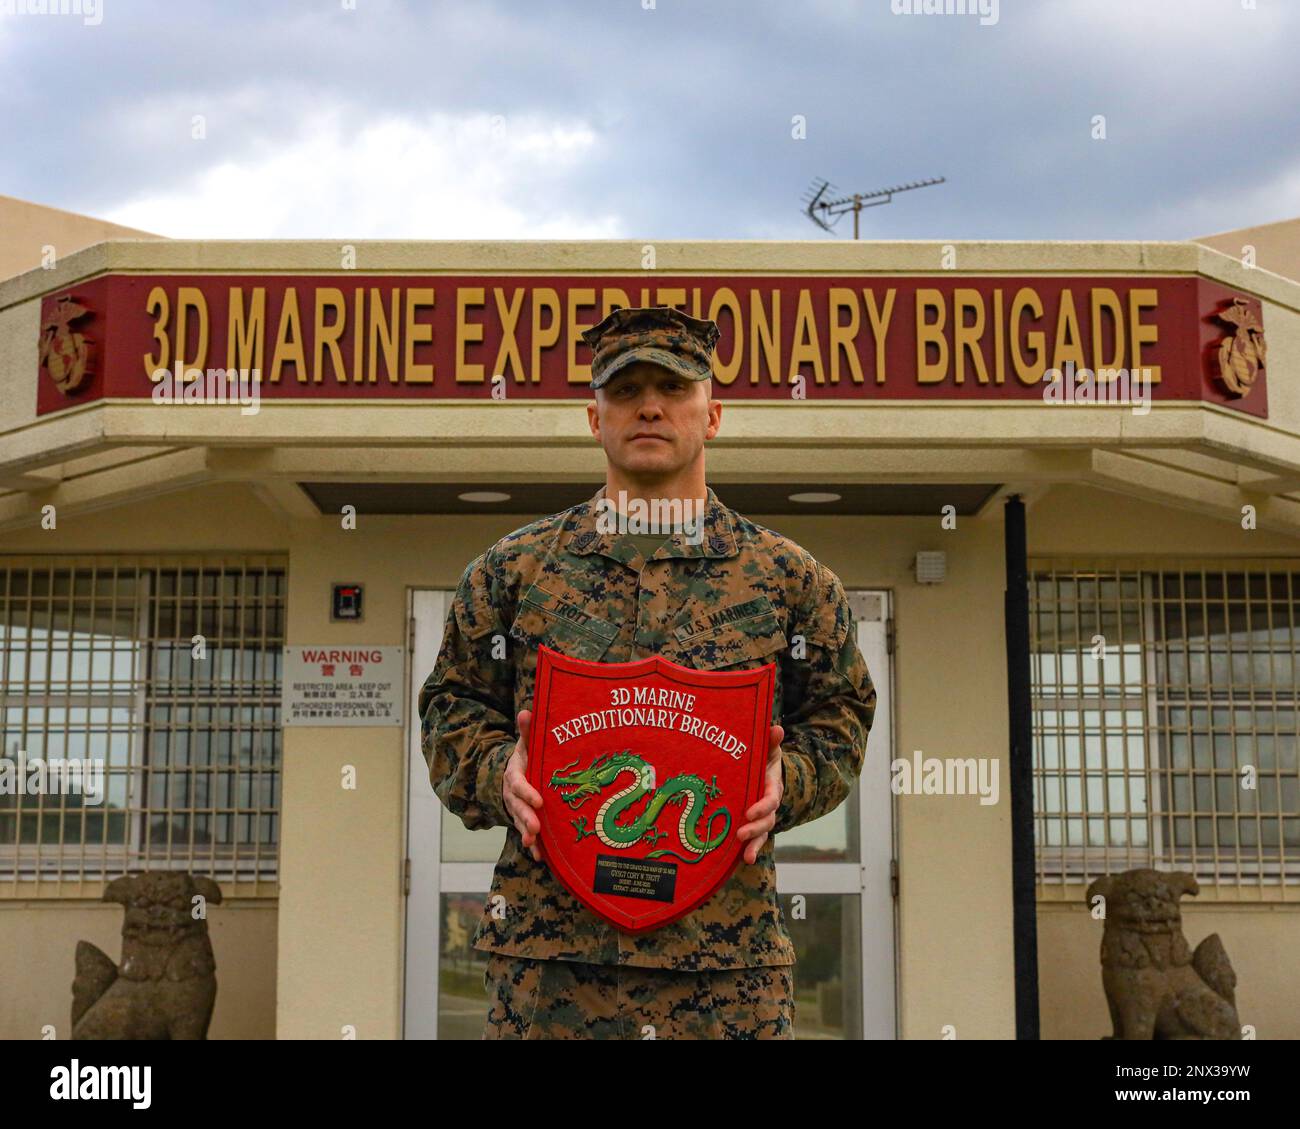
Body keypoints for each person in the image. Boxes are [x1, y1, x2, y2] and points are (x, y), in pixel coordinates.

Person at [419, 305, 876, 1039]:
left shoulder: (789, 581)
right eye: (626, 390)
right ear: (593, 419)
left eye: (673, 385)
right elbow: (451, 708)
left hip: (724, 977)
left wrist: (789, 779)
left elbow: (842, 714)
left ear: (714, 414)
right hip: (553, 975)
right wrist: (499, 770)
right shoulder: (514, 573)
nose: (651, 406)